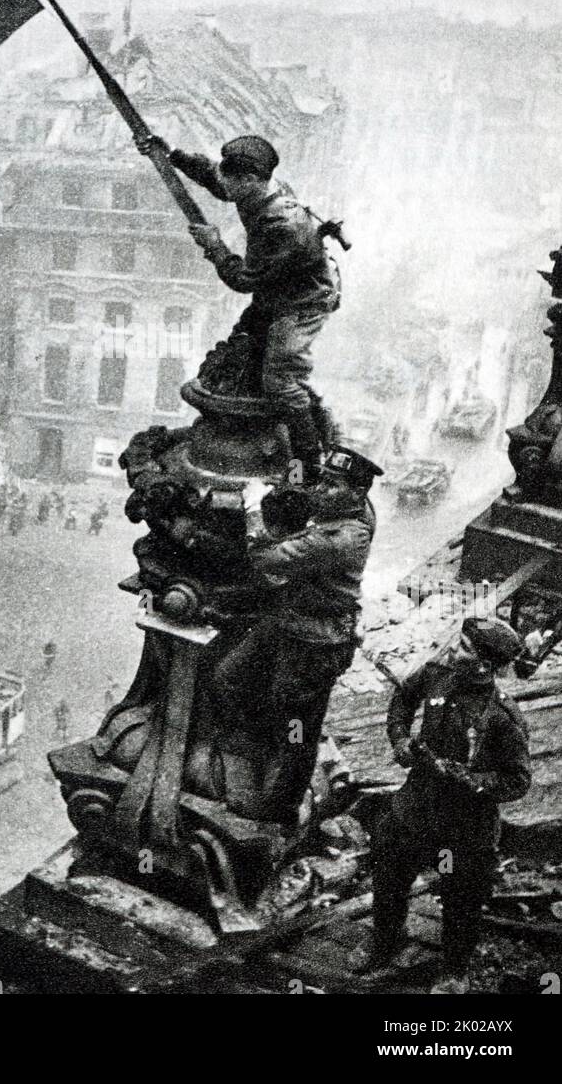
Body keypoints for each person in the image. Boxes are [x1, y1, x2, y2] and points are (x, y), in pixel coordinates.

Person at [136, 132, 340, 476]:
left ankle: (304, 471)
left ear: (249, 180)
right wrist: (172, 155)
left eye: (232, 182)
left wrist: (214, 246)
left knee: (281, 383)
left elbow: (244, 280)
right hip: (277, 291)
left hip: (302, 302)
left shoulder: (280, 224)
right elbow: (216, 179)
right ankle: (305, 426)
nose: (225, 189)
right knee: (240, 351)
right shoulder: (259, 187)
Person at [348, 615, 531, 994]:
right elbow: (403, 698)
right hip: (414, 809)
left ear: (486, 664)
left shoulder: (502, 716)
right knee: (388, 877)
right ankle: (384, 943)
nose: (453, 650)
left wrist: (468, 779)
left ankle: (453, 971)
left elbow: (517, 782)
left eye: (464, 648)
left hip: (464, 826)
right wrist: (400, 740)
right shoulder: (436, 674)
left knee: (461, 900)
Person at [213, 446, 381, 826]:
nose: (321, 489)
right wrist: (282, 481)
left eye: (333, 485)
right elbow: (312, 496)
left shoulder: (341, 538)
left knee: (297, 728)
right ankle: (257, 758)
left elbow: (264, 558)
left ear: (357, 494)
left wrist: (253, 507)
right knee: (229, 678)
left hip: (315, 642)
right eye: (322, 479)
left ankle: (280, 806)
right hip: (289, 620)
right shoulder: (349, 510)